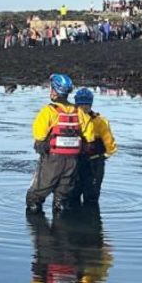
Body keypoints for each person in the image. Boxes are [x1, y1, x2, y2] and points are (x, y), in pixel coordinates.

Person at [26, 73, 86, 214]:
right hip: (72, 160)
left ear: (54, 91)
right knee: (63, 192)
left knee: (40, 189)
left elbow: (39, 133)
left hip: (52, 157)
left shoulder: (49, 111)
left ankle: (34, 211)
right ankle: (60, 214)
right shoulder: (78, 111)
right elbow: (87, 133)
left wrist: (41, 143)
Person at [72, 88, 117, 204]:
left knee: (79, 196)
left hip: (83, 162)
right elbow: (110, 144)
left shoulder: (99, 121)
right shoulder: (99, 121)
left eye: (86, 104)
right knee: (84, 196)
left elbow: (109, 142)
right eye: (83, 104)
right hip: (84, 162)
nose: (84, 107)